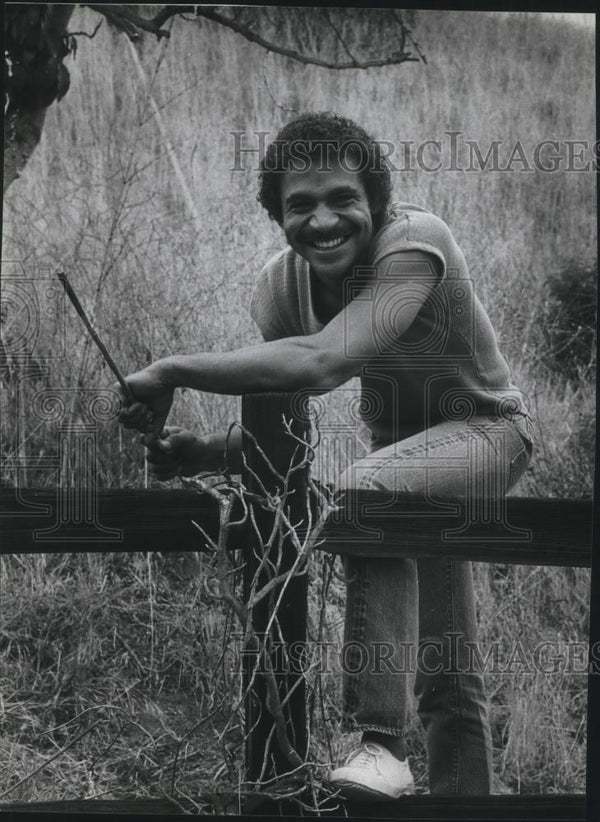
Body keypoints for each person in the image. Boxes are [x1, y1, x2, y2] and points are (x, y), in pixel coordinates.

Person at [117, 112, 533, 800]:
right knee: (447, 669)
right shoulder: (281, 290)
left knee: (365, 492)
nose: (323, 220)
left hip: (490, 434)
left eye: (343, 198)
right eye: (300, 204)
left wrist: (170, 370)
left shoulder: (414, 243)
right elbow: (290, 427)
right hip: (408, 460)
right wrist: (204, 450)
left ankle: (380, 743)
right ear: (276, 214)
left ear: (377, 199)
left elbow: (322, 363)